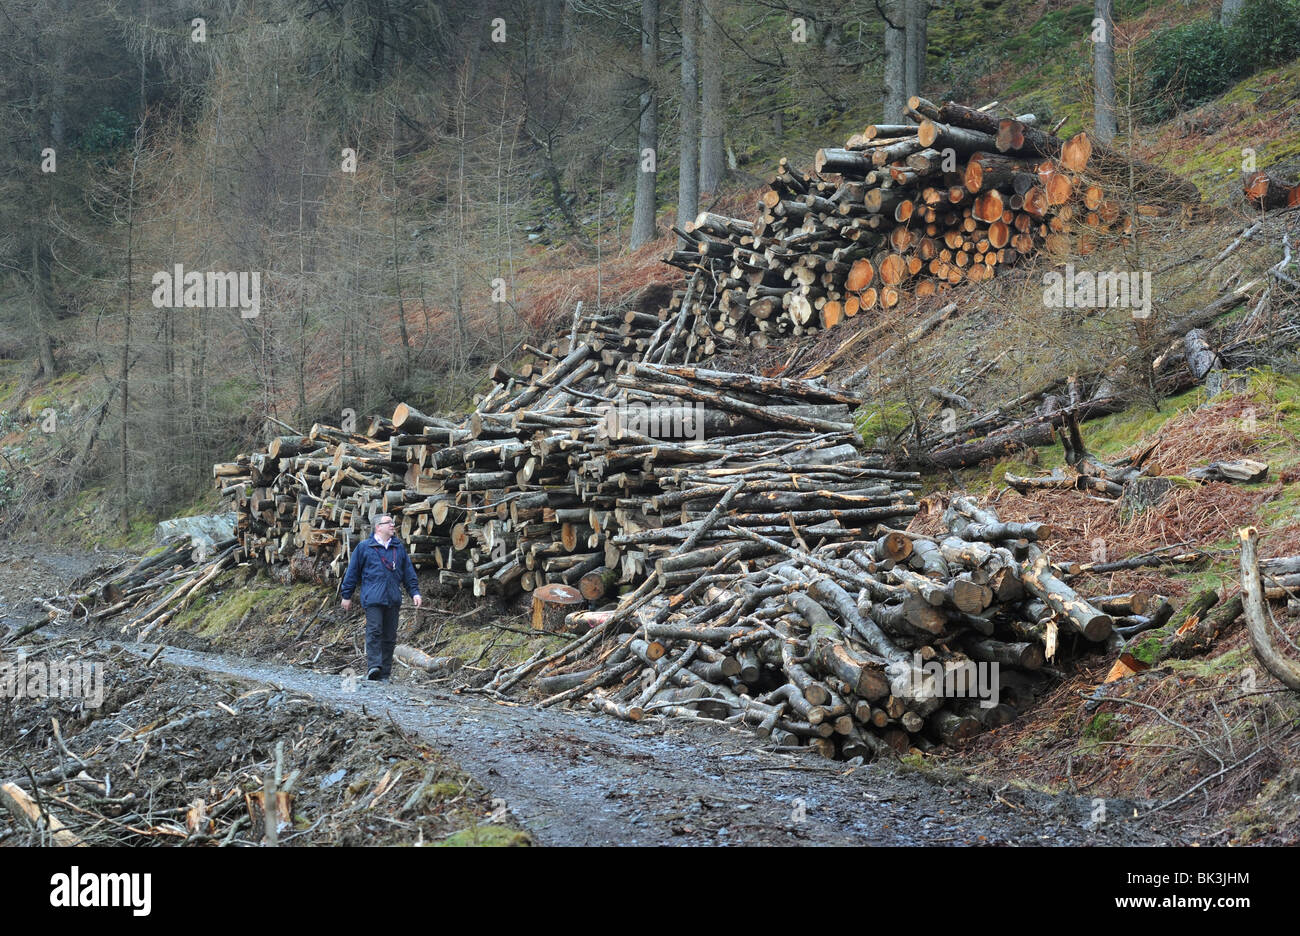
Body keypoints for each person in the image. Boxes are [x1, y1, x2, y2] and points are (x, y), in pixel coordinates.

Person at [340, 514, 422, 681]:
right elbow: (352, 572)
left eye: (393, 522)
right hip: (373, 598)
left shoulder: (398, 548)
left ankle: (384, 673)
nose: (393, 525)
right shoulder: (364, 547)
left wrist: (414, 592)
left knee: (390, 636)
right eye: (388, 523)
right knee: (375, 631)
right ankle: (374, 667)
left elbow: (408, 572)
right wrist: (346, 595)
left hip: (393, 598)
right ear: (378, 527)